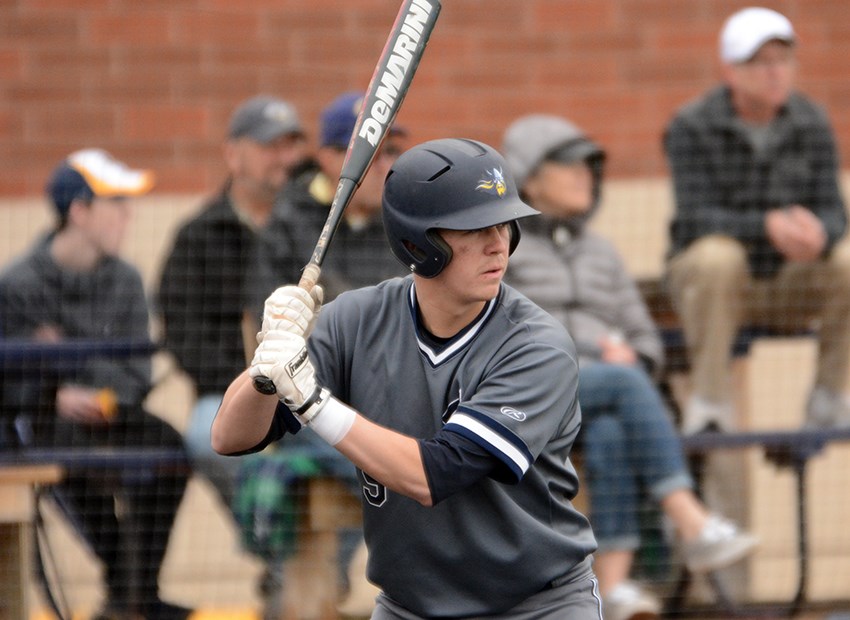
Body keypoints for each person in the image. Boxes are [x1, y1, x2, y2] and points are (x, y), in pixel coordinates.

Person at [212, 138, 605, 619]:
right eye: (475, 226)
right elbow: (230, 437)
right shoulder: (355, 320)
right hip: (411, 607)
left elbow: (434, 474)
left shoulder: (536, 344)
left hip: (535, 605)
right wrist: (264, 368)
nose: (497, 242)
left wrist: (315, 404)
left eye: (504, 223)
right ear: (419, 242)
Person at [500, 113, 760, 620]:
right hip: (532, 396)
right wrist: (603, 363)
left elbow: (643, 338)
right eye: (567, 163)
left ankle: (611, 588)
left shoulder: (603, 251)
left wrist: (635, 355)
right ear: (529, 176)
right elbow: (501, 334)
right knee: (621, 383)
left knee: (615, 429)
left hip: (599, 401)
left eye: (589, 165)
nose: (584, 175)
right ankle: (692, 521)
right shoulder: (504, 246)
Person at [156, 94, 360, 618]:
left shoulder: (316, 224)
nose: (284, 157)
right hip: (236, 388)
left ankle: (315, 570)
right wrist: (250, 388)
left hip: (317, 383)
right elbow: (183, 334)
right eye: (269, 146)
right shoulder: (200, 235)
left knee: (352, 434)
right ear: (234, 155)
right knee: (207, 433)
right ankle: (275, 548)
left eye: (292, 143)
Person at [0, 149, 192, 619]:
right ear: (79, 211)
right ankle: (134, 595)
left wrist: (65, 359)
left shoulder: (126, 280)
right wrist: (55, 391)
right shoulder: (20, 284)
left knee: (170, 451)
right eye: (116, 204)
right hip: (47, 420)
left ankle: (130, 595)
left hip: (116, 413)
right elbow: (10, 384)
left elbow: (135, 376)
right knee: (71, 462)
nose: (129, 216)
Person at [663, 6, 850, 435]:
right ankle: (710, 404)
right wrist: (766, 227)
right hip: (712, 288)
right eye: (761, 62)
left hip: (787, 284)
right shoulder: (691, 126)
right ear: (731, 71)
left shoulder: (812, 121)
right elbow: (692, 218)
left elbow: (835, 212)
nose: (775, 72)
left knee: (845, 260)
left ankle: (829, 397)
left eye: (782, 60)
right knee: (717, 256)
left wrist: (818, 234)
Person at [280, 90, 408, 300]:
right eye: (371, 153)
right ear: (328, 159)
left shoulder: (405, 224)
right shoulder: (290, 224)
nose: (385, 166)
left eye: (391, 151)